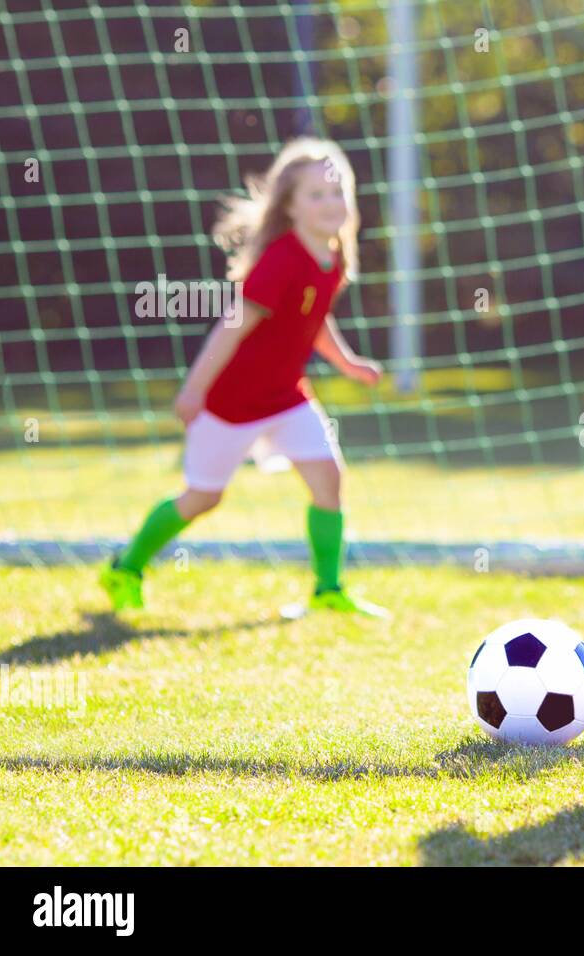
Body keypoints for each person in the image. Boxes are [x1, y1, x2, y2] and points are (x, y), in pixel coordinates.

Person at [100, 137, 388, 618]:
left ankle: (328, 590)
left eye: (336, 192)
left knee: (328, 479)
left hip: (286, 398)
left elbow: (313, 320)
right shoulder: (281, 260)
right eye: (314, 195)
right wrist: (195, 389)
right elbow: (231, 326)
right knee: (203, 497)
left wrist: (347, 363)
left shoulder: (332, 257)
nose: (329, 203)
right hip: (231, 403)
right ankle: (125, 568)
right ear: (290, 206)